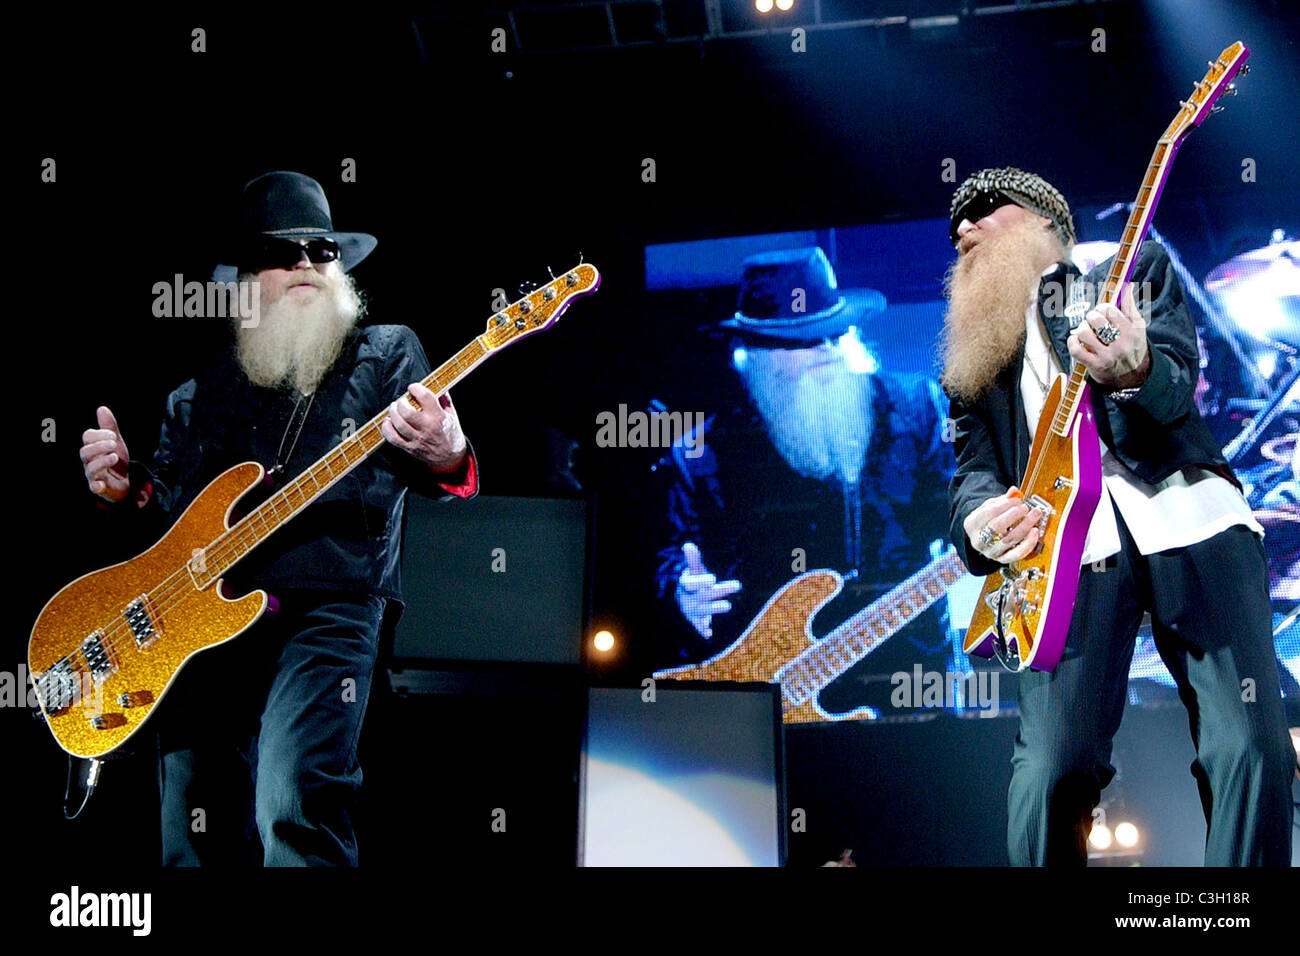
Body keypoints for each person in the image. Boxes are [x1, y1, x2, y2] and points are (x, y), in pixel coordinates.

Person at [79, 171, 478, 865]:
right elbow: (164, 521)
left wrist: (449, 451)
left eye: (321, 250)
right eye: (282, 251)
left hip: (329, 602)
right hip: (200, 624)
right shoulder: (199, 392)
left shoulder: (385, 352)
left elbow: (443, 473)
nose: (305, 264)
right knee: (192, 826)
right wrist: (125, 491)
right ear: (243, 278)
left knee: (292, 800)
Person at [941, 166, 1293, 865]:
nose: (962, 228)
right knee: (1050, 770)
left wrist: (1135, 374)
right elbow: (972, 469)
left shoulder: (1127, 266)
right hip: (1062, 559)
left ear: (1047, 219)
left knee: (1250, 747)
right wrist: (980, 520)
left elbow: (1173, 394)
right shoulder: (973, 346)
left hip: (1188, 519)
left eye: (983, 209)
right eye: (955, 224)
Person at [655, 247, 958, 719]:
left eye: (833, 334)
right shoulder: (707, 451)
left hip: (908, 675)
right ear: (755, 356)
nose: (825, 351)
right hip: (778, 691)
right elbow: (672, 553)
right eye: (802, 341)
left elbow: (956, 511)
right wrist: (683, 589)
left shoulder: (916, 405)